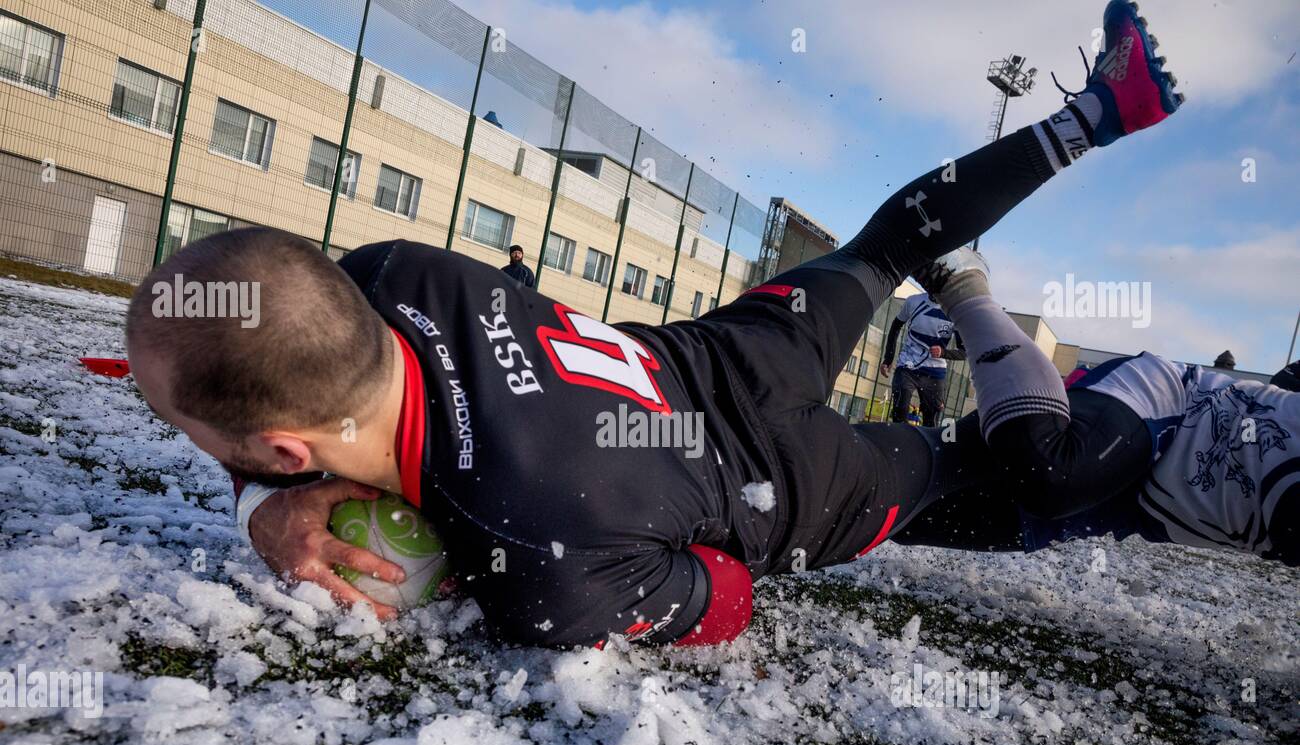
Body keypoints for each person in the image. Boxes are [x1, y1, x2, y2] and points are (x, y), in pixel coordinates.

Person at [124, 1, 1185, 649]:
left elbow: (723, 602)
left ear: (283, 451)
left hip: (786, 477)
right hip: (723, 353)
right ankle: (1096, 112)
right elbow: (288, 331)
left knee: (999, 477)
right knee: (879, 248)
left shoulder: (532, 561)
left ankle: (1156, 410)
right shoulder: (390, 272)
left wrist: (260, 510)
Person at [887, 248, 1300, 566]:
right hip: (1172, 411)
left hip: (1132, 506)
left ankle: (830, 477)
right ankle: (964, 285)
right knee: (1052, 476)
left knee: (907, 514)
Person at [880, 292, 963, 426]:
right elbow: (895, 326)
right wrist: (888, 358)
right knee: (899, 412)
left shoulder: (956, 311)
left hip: (935, 373)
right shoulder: (913, 301)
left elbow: (964, 352)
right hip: (908, 366)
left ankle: (931, 445)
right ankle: (900, 444)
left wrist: (944, 353)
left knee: (931, 423)